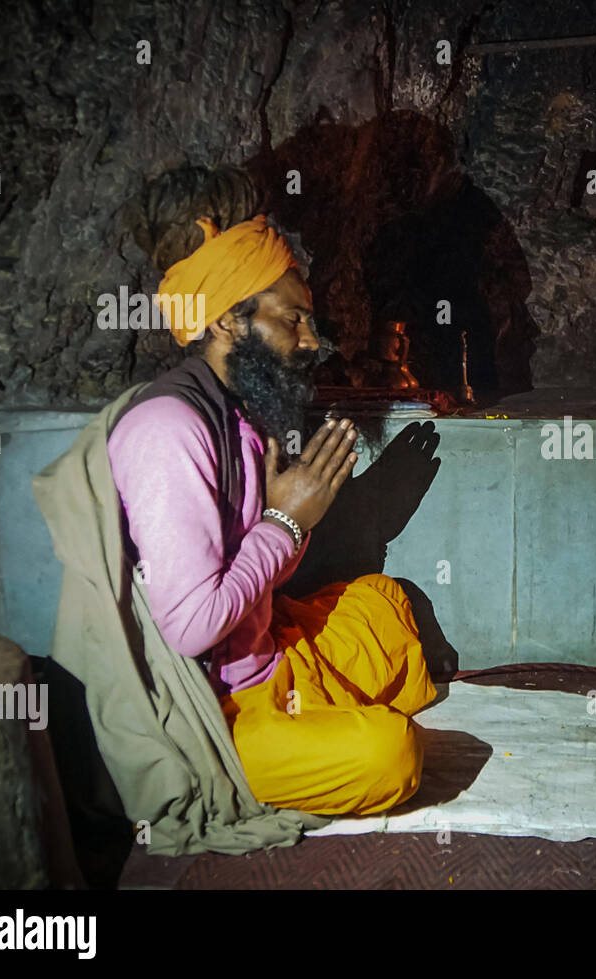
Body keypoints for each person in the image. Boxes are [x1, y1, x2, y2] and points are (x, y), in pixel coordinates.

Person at [106, 214, 437, 817]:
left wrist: (299, 517)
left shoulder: (238, 419)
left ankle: (319, 711)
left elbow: (261, 576)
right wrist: (285, 521)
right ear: (230, 319)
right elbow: (191, 627)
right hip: (212, 714)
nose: (312, 341)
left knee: (385, 601)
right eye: (292, 319)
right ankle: (317, 732)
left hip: (267, 655)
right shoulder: (168, 431)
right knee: (391, 754)